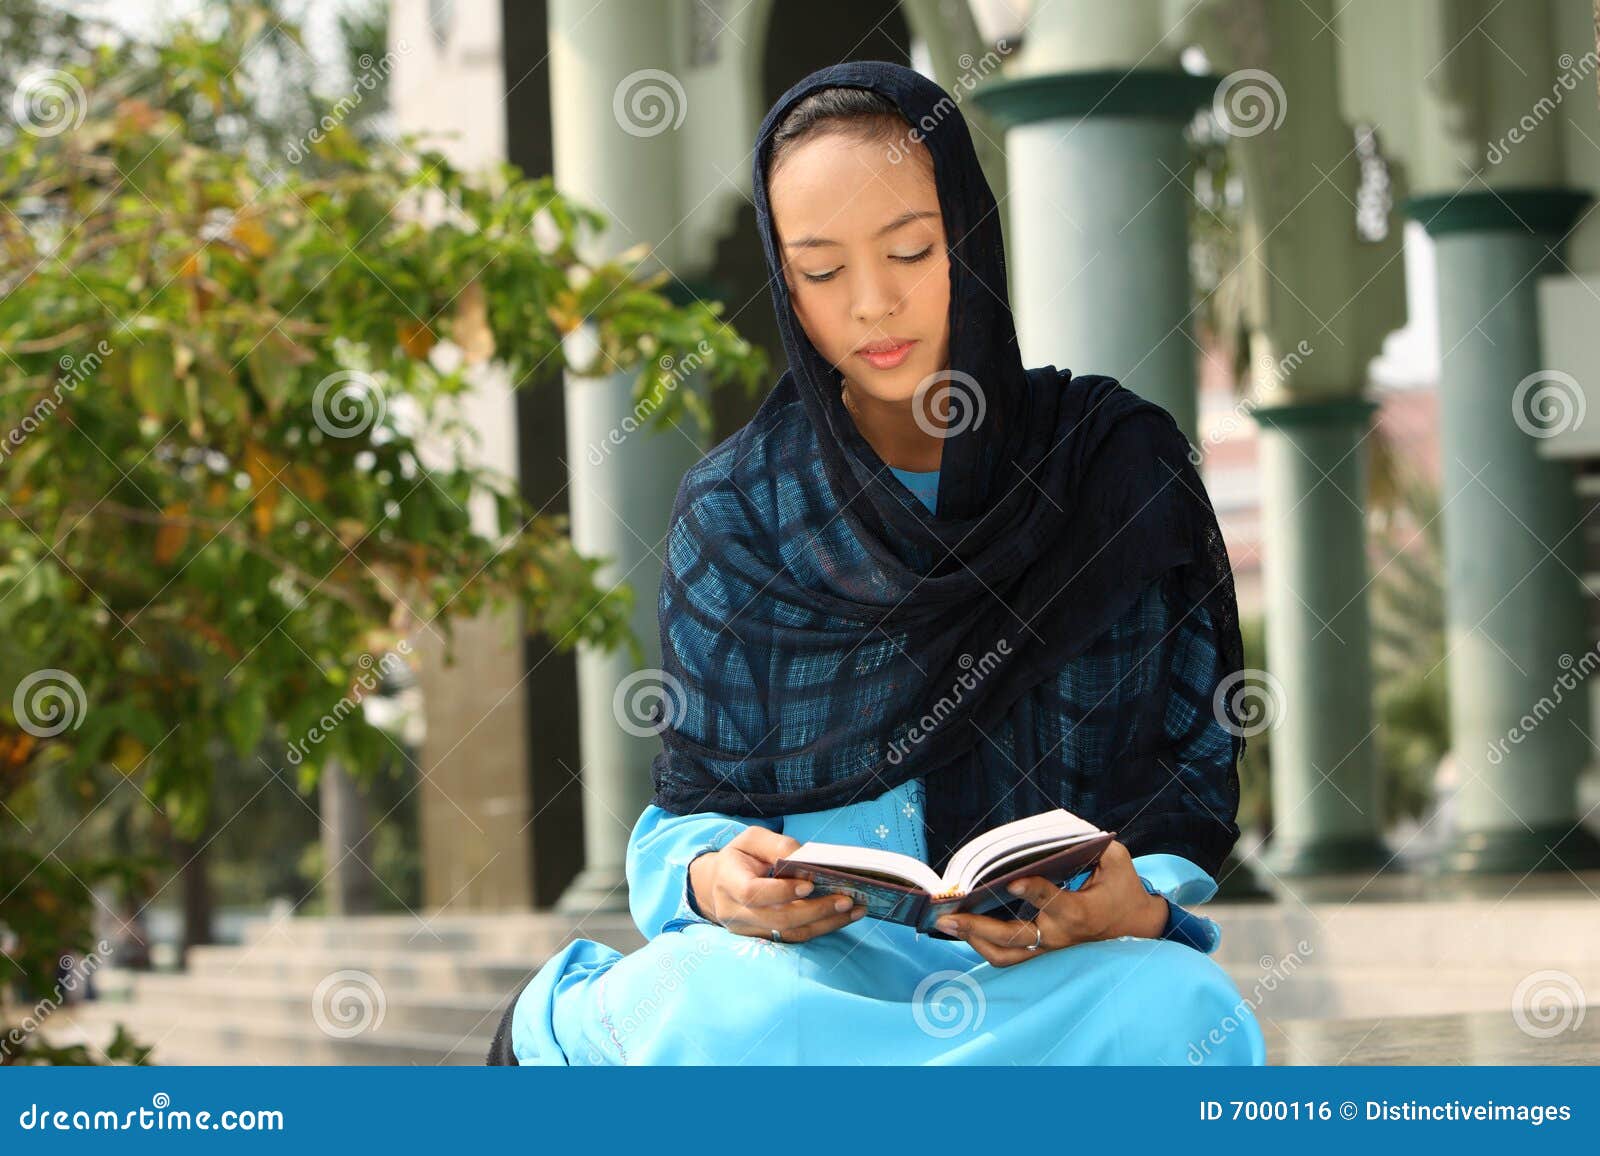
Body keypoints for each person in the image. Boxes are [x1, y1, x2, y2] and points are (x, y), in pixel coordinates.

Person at [489, 60, 1266, 1066]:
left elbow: (1185, 769)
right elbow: (697, 815)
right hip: (813, 979)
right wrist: (717, 884)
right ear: (784, 281)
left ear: (970, 240)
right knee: (715, 1013)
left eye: (910, 250)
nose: (870, 304)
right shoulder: (737, 509)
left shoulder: (1112, 464)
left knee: (1181, 1013)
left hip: (1045, 978)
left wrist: (1135, 905)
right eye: (820, 271)